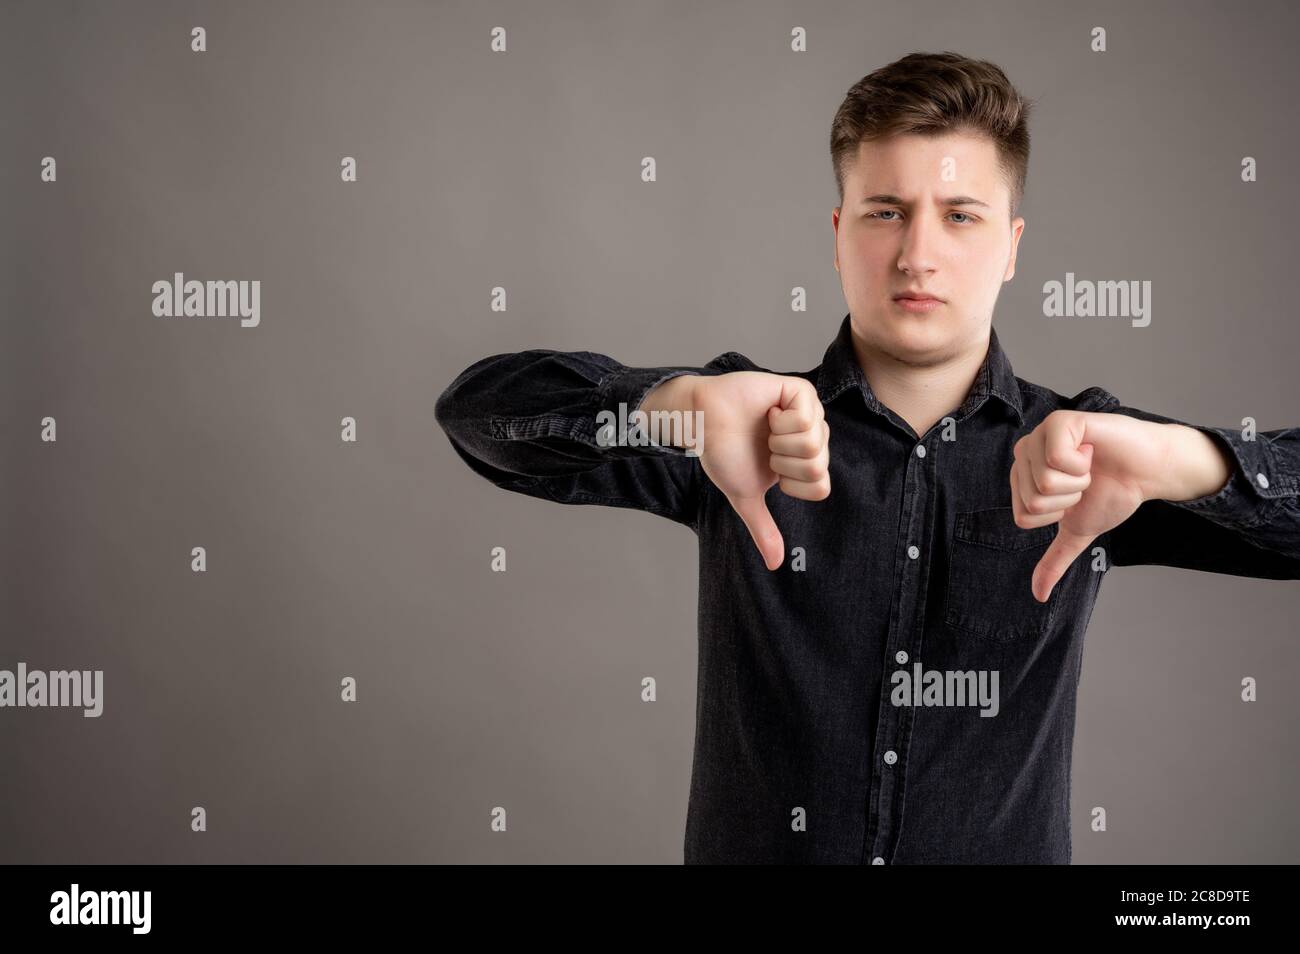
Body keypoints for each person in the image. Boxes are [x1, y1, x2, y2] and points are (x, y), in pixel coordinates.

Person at [434, 51, 1300, 863]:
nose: (918, 254)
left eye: (961, 216)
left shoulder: (1091, 453)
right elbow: (478, 417)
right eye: (887, 213)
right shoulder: (744, 427)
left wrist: (1196, 463)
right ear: (841, 231)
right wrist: (668, 407)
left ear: (1012, 247)